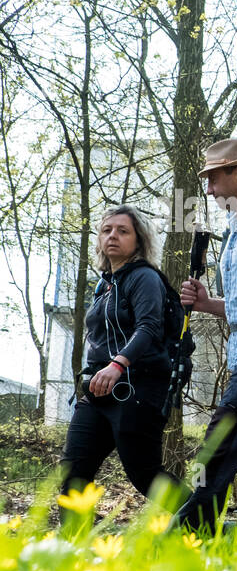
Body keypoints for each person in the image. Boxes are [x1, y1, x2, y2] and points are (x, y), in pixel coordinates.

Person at [174, 139, 237, 531]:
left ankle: (185, 538)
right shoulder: (235, 227)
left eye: (213, 178)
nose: (208, 189)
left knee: (216, 445)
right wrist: (208, 303)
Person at [57, 206, 174, 504]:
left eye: (123, 231)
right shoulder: (104, 285)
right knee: (74, 472)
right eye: (107, 230)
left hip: (136, 388)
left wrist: (117, 365)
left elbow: (149, 327)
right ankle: (72, 546)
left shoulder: (144, 277)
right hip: (97, 392)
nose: (113, 236)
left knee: (146, 475)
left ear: (139, 240)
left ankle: (210, 526)